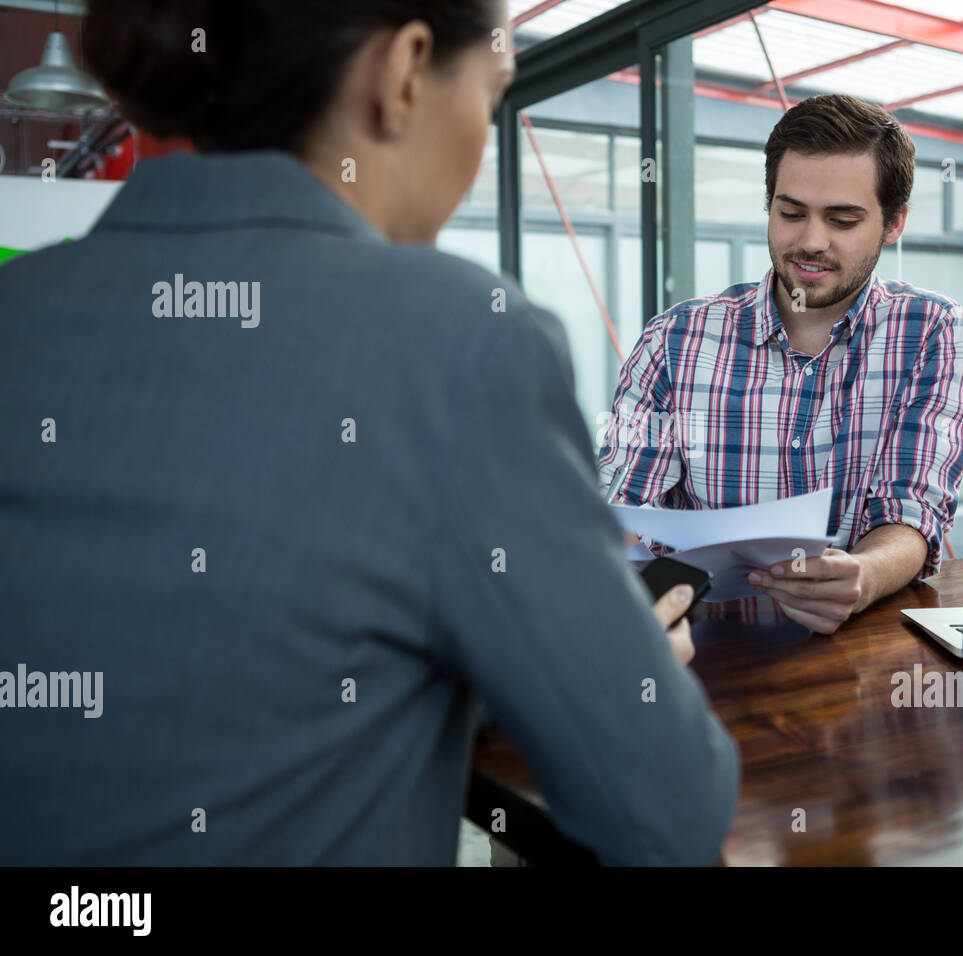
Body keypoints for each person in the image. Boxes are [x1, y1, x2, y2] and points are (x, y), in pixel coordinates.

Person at [0, 0, 736, 865]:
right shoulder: (457, 340)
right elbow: (668, 816)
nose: (483, 143)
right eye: (493, 96)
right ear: (405, 73)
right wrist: (619, 665)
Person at [599, 94, 963, 636]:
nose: (810, 241)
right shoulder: (674, 340)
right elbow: (623, 506)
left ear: (894, 224)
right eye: (790, 213)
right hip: (707, 646)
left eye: (842, 220)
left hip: (865, 650)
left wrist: (864, 575)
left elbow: (911, 507)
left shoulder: (929, 330)